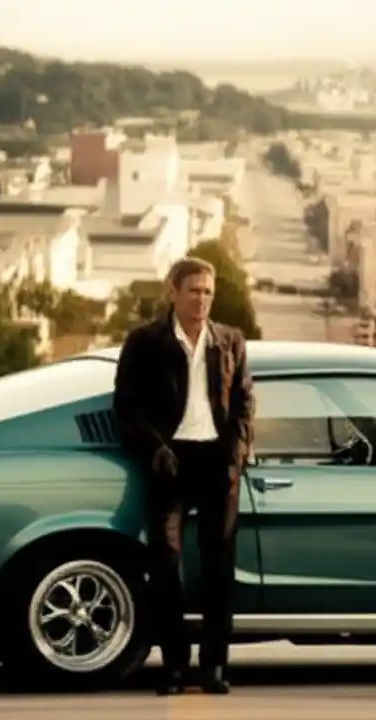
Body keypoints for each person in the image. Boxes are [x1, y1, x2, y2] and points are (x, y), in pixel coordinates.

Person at [112, 257, 255, 695]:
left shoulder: (229, 340)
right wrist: (155, 449)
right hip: (169, 462)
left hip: (217, 464)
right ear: (173, 292)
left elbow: (246, 401)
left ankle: (214, 668)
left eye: (208, 292)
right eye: (193, 290)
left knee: (218, 571)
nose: (202, 299)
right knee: (166, 567)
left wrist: (236, 452)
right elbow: (126, 408)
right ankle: (174, 667)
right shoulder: (145, 342)